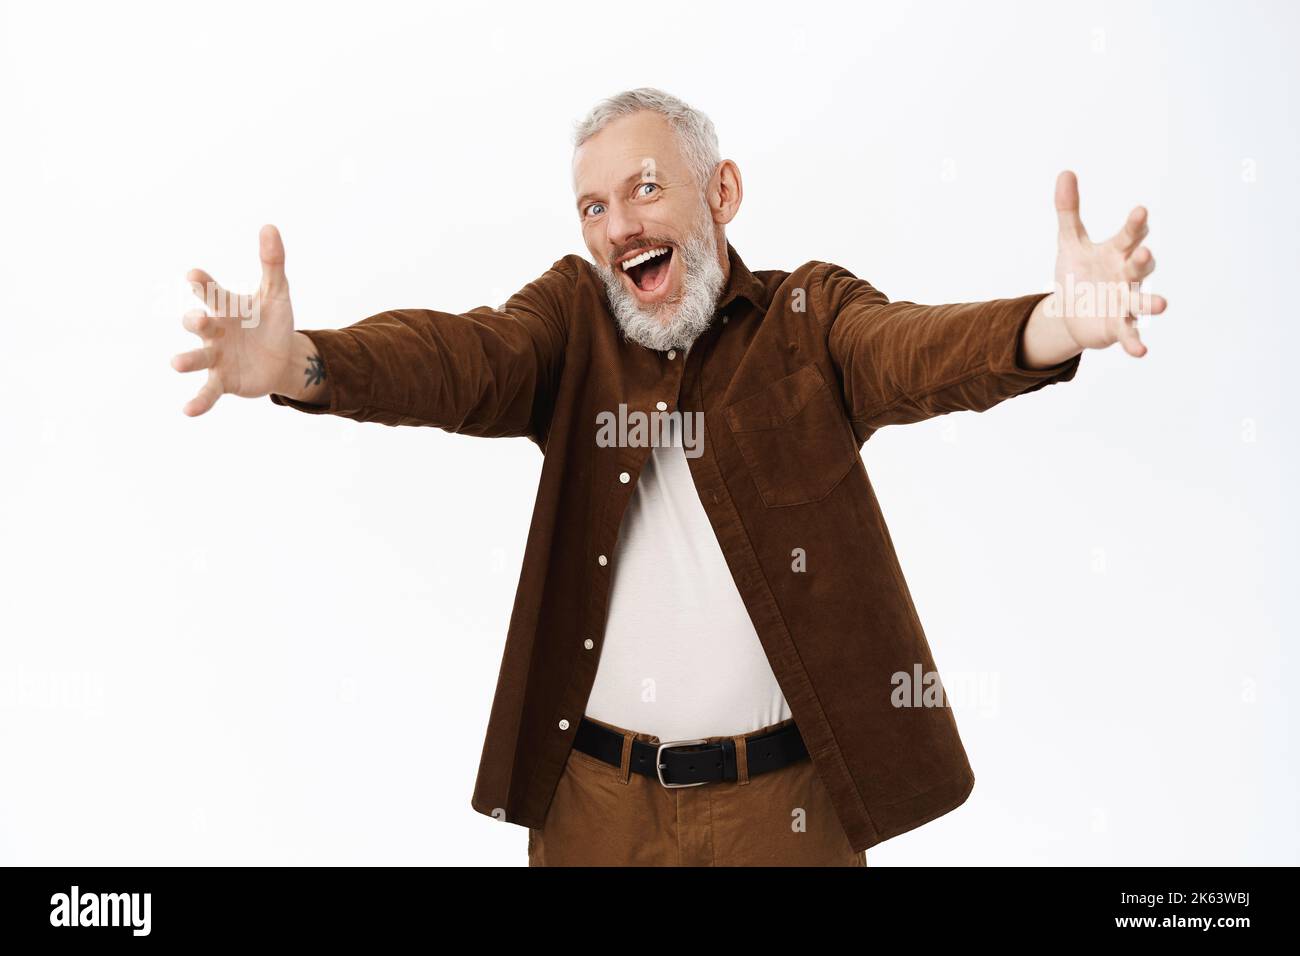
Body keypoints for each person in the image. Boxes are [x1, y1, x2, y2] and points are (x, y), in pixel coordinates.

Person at [172, 88, 1165, 866]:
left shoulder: (806, 320)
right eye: (593, 205)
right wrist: (301, 364)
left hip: (786, 808)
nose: (616, 224)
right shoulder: (570, 323)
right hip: (598, 806)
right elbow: (462, 359)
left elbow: (912, 350)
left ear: (720, 192)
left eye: (644, 188)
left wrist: (1054, 321)